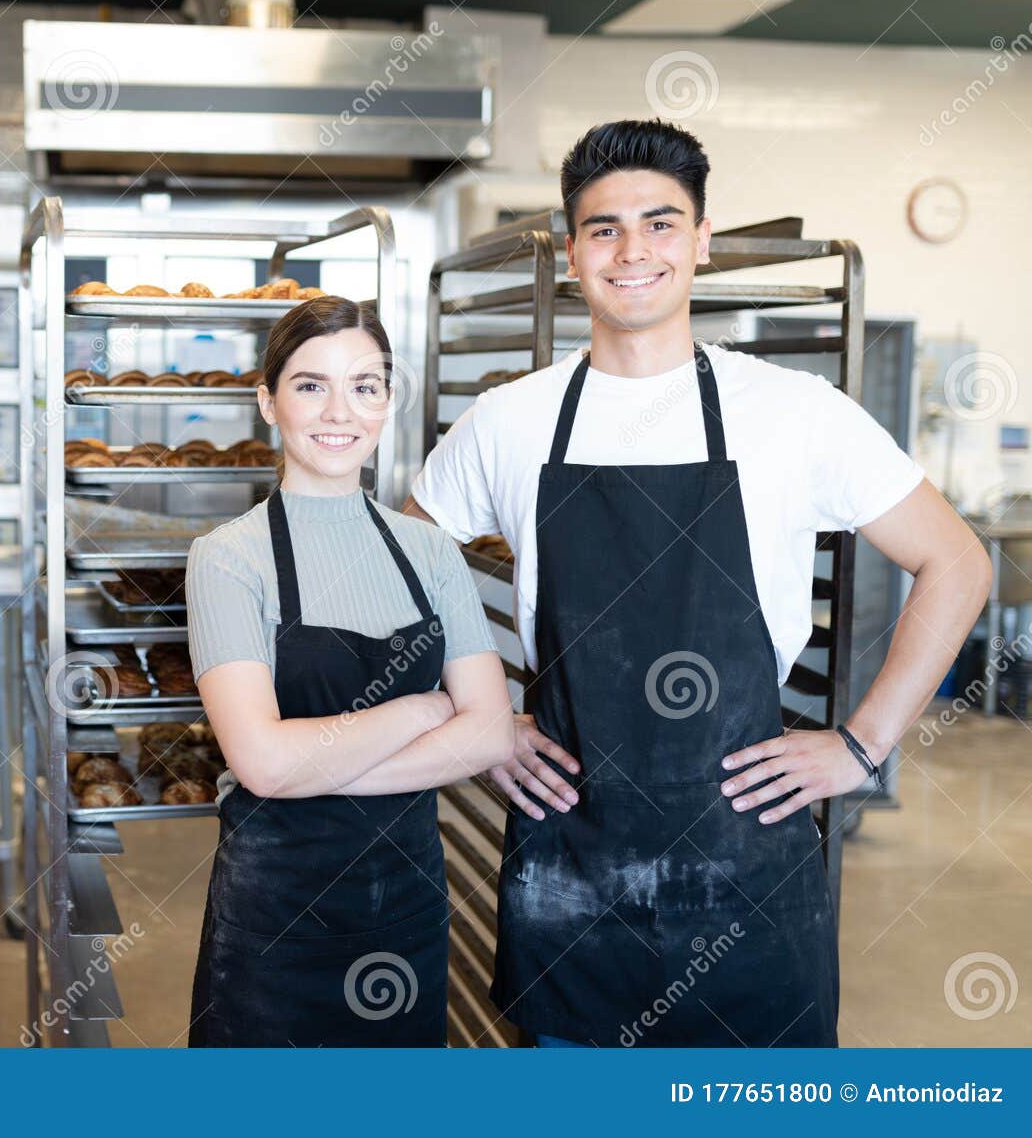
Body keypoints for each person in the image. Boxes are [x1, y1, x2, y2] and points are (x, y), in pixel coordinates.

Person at [405, 119, 991, 1047]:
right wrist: (478, 725)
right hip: (569, 870)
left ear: (702, 240)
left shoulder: (795, 413)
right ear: (570, 251)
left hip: (748, 873)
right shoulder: (509, 422)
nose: (633, 250)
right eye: (604, 228)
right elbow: (402, 574)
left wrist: (864, 743)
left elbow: (959, 561)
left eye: (661, 222)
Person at [185, 297, 554, 1047]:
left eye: (366, 385)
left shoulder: (429, 552)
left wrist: (305, 766)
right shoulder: (227, 557)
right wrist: (422, 713)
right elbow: (258, 760)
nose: (340, 410)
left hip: (404, 908)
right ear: (267, 400)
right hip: (274, 919)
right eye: (310, 384)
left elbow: (487, 733)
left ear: (387, 401)